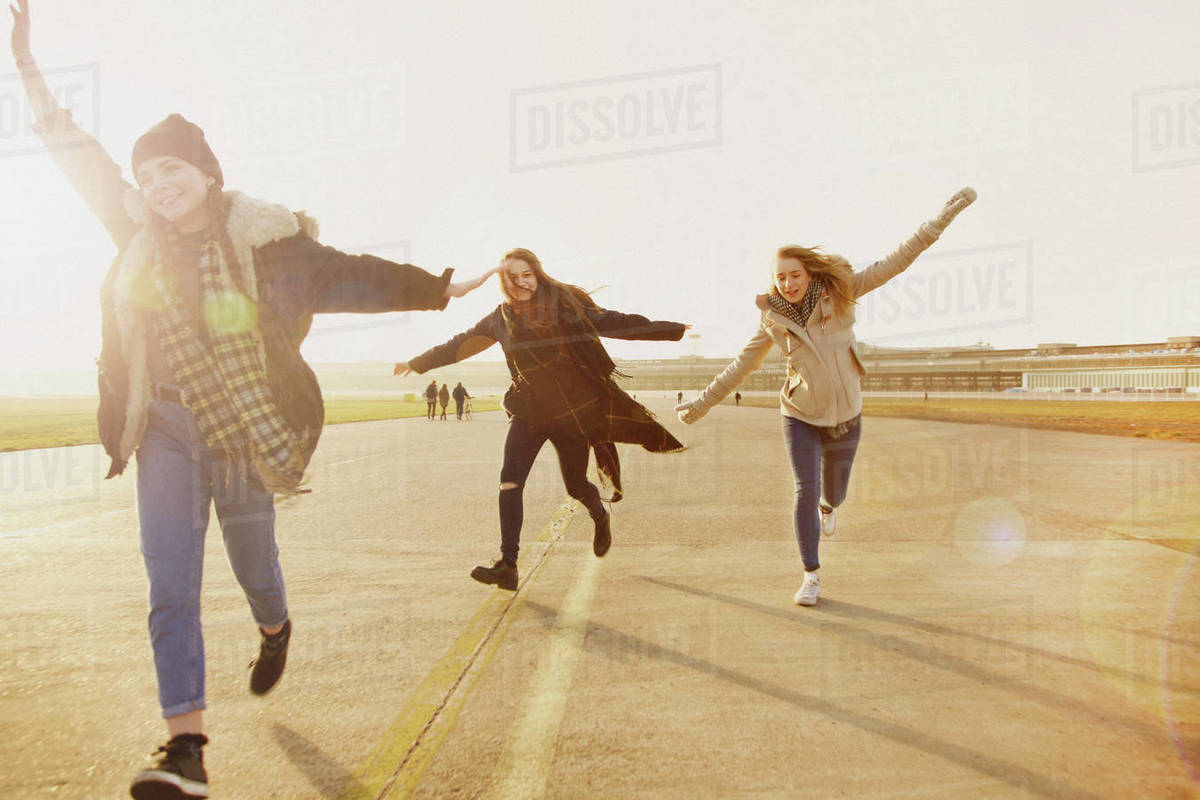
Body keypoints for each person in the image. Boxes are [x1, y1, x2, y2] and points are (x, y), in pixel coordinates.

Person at [10, 4, 496, 797]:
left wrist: (439, 288)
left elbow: (352, 275)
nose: (158, 185)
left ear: (207, 174)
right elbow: (75, 151)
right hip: (163, 426)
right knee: (170, 585)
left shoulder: (272, 246)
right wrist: (27, 63)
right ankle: (185, 748)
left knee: (253, 564)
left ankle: (275, 626)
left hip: (244, 430)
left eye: (173, 169)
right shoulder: (133, 232)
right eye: (147, 176)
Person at [676, 187, 977, 607]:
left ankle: (828, 507)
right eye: (780, 277)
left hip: (846, 413)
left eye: (794, 275)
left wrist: (938, 222)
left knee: (834, 492)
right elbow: (742, 364)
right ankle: (811, 575)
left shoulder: (842, 292)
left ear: (809, 274)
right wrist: (703, 401)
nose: (787, 283)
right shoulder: (772, 321)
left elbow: (895, 262)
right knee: (804, 488)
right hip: (799, 414)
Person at [395, 248, 689, 589]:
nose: (521, 282)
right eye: (512, 277)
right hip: (529, 413)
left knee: (575, 486)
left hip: (571, 415)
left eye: (527, 275)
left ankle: (599, 515)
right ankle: (508, 564)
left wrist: (670, 329)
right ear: (503, 282)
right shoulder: (499, 319)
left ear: (537, 274)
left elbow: (613, 321)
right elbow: (459, 344)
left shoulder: (565, 307)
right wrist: (417, 362)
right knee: (509, 481)